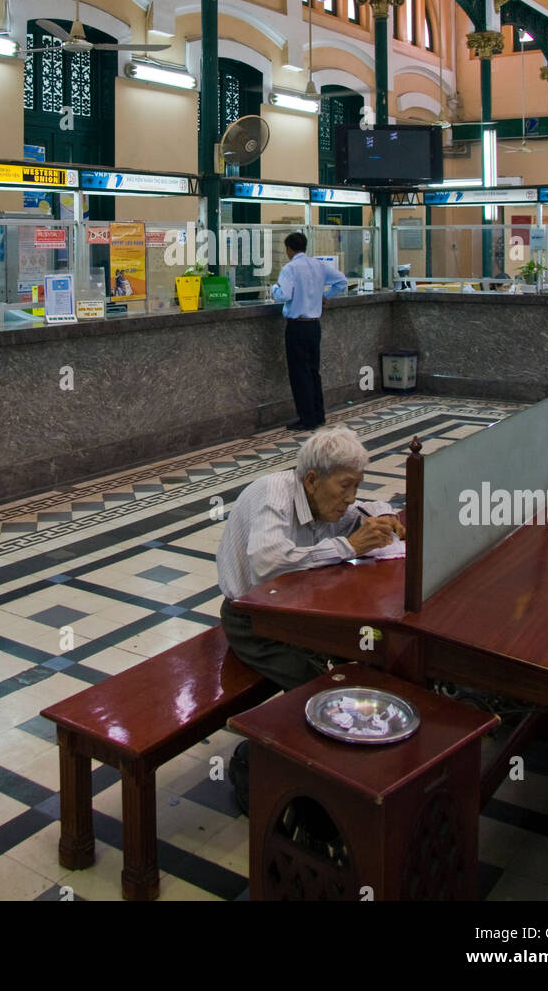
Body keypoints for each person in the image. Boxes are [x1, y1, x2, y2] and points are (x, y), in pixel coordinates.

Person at [218, 425, 404, 812]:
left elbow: (363, 510)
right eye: (345, 486)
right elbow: (269, 563)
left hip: (296, 613)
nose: (350, 497)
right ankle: (253, 768)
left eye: (357, 485)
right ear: (313, 478)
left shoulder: (324, 497)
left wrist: (382, 518)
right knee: (317, 689)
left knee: (363, 660)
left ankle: (335, 768)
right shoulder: (274, 495)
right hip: (253, 621)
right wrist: (348, 546)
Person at [272, 232, 347, 430]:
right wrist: (326, 296)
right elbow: (342, 281)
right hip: (314, 325)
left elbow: (284, 295)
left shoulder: (290, 269)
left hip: (297, 326)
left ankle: (307, 419)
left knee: (299, 373)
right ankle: (318, 415)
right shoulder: (318, 265)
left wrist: (273, 289)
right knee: (313, 371)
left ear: (289, 249)